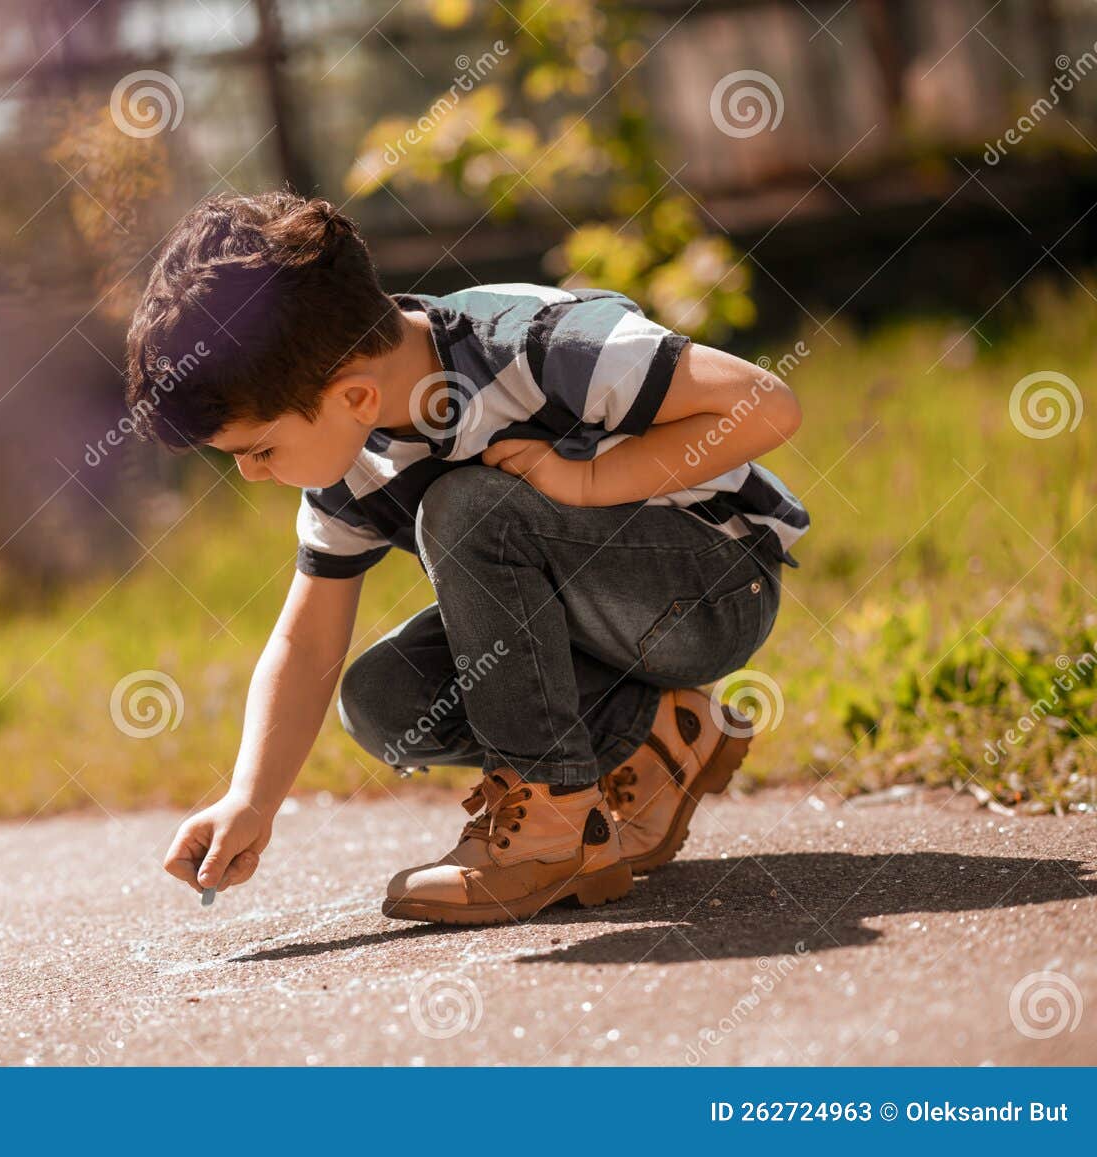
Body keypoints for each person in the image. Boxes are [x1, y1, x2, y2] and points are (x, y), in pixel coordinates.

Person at [126, 191, 806, 925]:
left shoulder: (537, 343)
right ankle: (659, 734)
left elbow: (766, 404)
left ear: (354, 394)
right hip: (605, 630)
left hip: (710, 585)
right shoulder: (351, 456)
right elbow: (306, 638)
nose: (252, 473)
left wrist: (589, 479)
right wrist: (250, 798)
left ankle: (550, 825)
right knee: (385, 698)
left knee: (464, 508)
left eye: (259, 450)